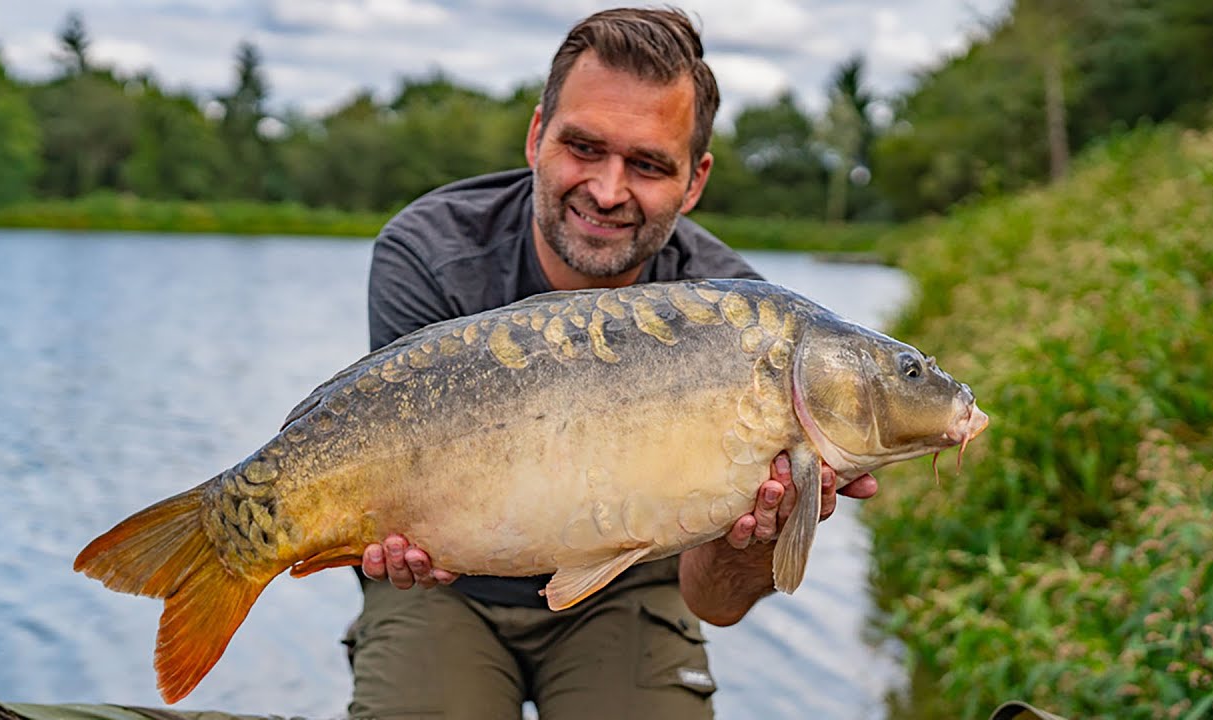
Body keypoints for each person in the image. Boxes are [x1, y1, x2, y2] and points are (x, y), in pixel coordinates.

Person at [349, 8, 877, 719]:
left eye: (650, 164)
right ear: (538, 136)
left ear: (694, 182)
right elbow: (387, 480)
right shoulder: (429, 253)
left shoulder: (751, 330)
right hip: (443, 588)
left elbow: (713, 604)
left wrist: (757, 541)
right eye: (584, 148)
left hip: (631, 579)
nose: (606, 189)